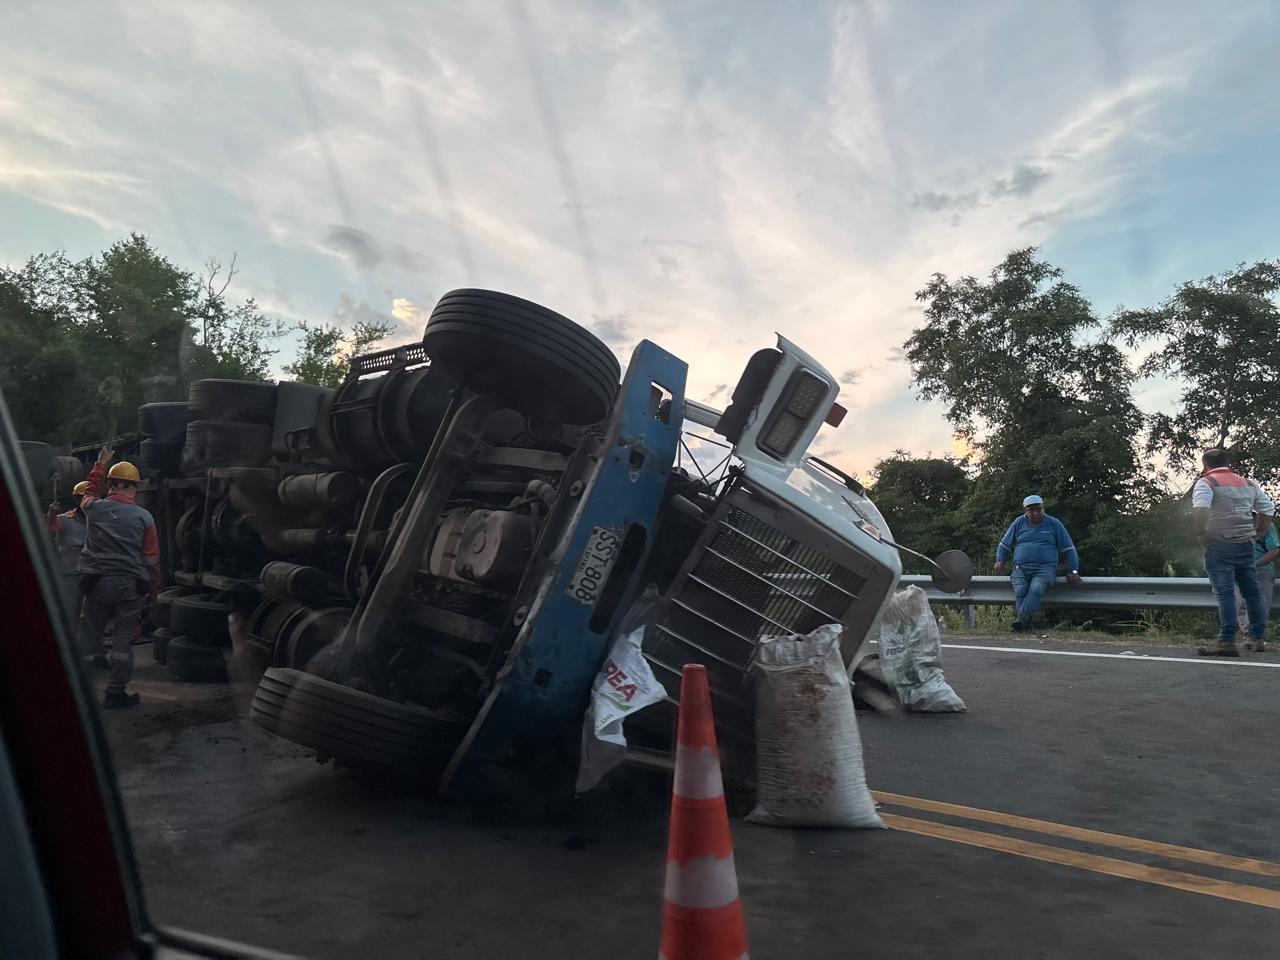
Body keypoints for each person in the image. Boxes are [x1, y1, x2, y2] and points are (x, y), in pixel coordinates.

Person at [76, 459, 160, 708]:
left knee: (90, 636)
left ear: (111, 485)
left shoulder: (93, 508)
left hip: (97, 583)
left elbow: (88, 492)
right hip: (130, 586)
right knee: (123, 639)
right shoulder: (144, 517)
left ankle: (77, 689)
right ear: (134, 487)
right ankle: (115, 692)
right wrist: (154, 589)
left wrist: (100, 464)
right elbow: (151, 559)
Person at [1191, 448, 1275, 657]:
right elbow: (1267, 509)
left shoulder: (1207, 482)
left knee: (1225, 593)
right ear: (1227, 463)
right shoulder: (1247, 483)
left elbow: (1201, 509)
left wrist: (1200, 534)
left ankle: (1227, 641)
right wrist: (1258, 532)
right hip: (1246, 544)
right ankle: (1256, 638)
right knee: (1252, 592)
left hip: (1219, 544)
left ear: (1205, 465)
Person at [993, 495, 1081, 632]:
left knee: (1037, 587)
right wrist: (1000, 560)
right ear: (1025, 511)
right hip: (1020, 567)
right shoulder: (1018, 523)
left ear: (1042, 508)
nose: (1035, 513)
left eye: (1038, 509)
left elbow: (1068, 548)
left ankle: (1021, 620)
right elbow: (1005, 544)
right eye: (1031, 510)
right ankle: (1024, 625)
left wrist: (1073, 570)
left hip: (1045, 568)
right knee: (1020, 591)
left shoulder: (1054, 524)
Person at [1234, 514, 1279, 651]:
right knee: (1240, 603)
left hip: (1261, 570)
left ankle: (1255, 636)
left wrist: (1254, 565)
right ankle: (1250, 635)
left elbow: (1275, 550)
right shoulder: (1235, 526)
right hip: (1240, 569)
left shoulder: (1267, 526)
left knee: (1260, 603)